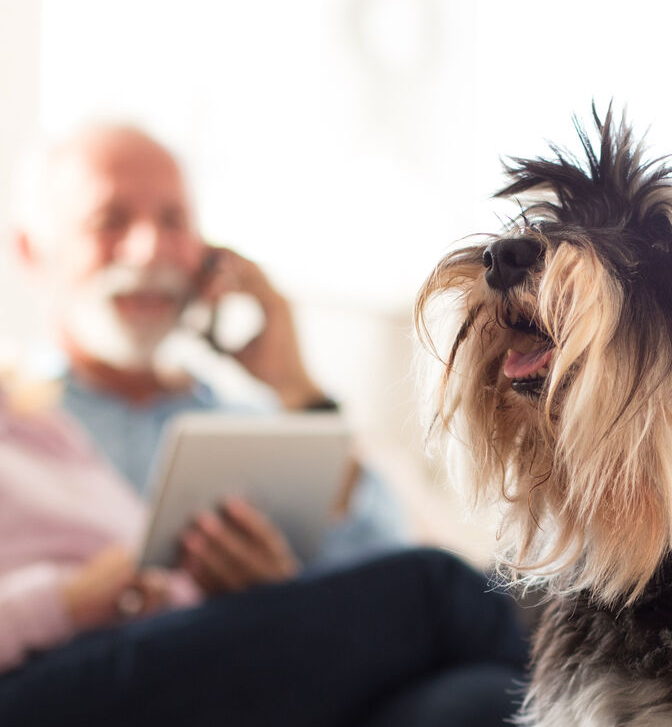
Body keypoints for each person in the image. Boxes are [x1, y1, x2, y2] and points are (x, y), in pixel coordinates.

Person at [0, 379, 526, 727]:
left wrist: (256, 600)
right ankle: (596, 723)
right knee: (433, 589)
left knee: (479, 715)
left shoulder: (42, 426)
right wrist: (64, 600)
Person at [11, 122, 403, 582]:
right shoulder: (16, 429)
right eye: (109, 221)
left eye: (173, 221)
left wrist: (296, 387)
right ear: (31, 253)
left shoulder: (252, 429)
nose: (149, 250)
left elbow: (390, 573)